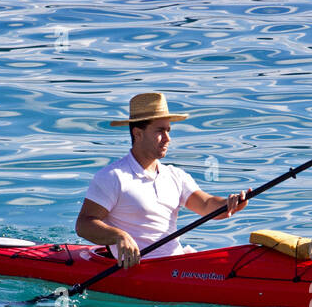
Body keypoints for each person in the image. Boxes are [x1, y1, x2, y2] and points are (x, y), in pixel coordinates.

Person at [76, 92, 248, 267]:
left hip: (177, 263)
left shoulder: (175, 175)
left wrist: (230, 204)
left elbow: (206, 204)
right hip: (141, 268)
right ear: (138, 133)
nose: (168, 138)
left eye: (168, 130)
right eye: (160, 131)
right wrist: (119, 236)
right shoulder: (113, 176)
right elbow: (83, 224)